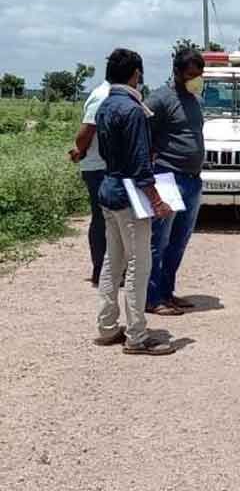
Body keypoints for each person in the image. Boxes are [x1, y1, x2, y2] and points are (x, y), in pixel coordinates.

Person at [93, 48, 175, 355]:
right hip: (130, 196)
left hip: (108, 189)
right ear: (136, 74)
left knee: (112, 263)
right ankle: (137, 336)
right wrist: (157, 201)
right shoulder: (133, 110)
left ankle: (107, 327)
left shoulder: (104, 106)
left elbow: (105, 154)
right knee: (138, 266)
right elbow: (141, 166)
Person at [145, 48, 206, 315]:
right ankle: (152, 298)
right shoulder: (159, 100)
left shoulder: (194, 99)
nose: (196, 79)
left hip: (192, 181)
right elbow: (143, 136)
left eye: (200, 74)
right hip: (166, 178)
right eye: (192, 75)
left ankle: (167, 293)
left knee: (179, 241)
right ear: (177, 72)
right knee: (158, 241)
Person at [69, 73, 111, 287]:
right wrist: (81, 150)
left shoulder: (108, 93)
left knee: (107, 218)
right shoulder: (103, 95)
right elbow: (85, 132)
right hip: (97, 167)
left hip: (102, 166)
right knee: (102, 218)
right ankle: (100, 270)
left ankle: (107, 269)